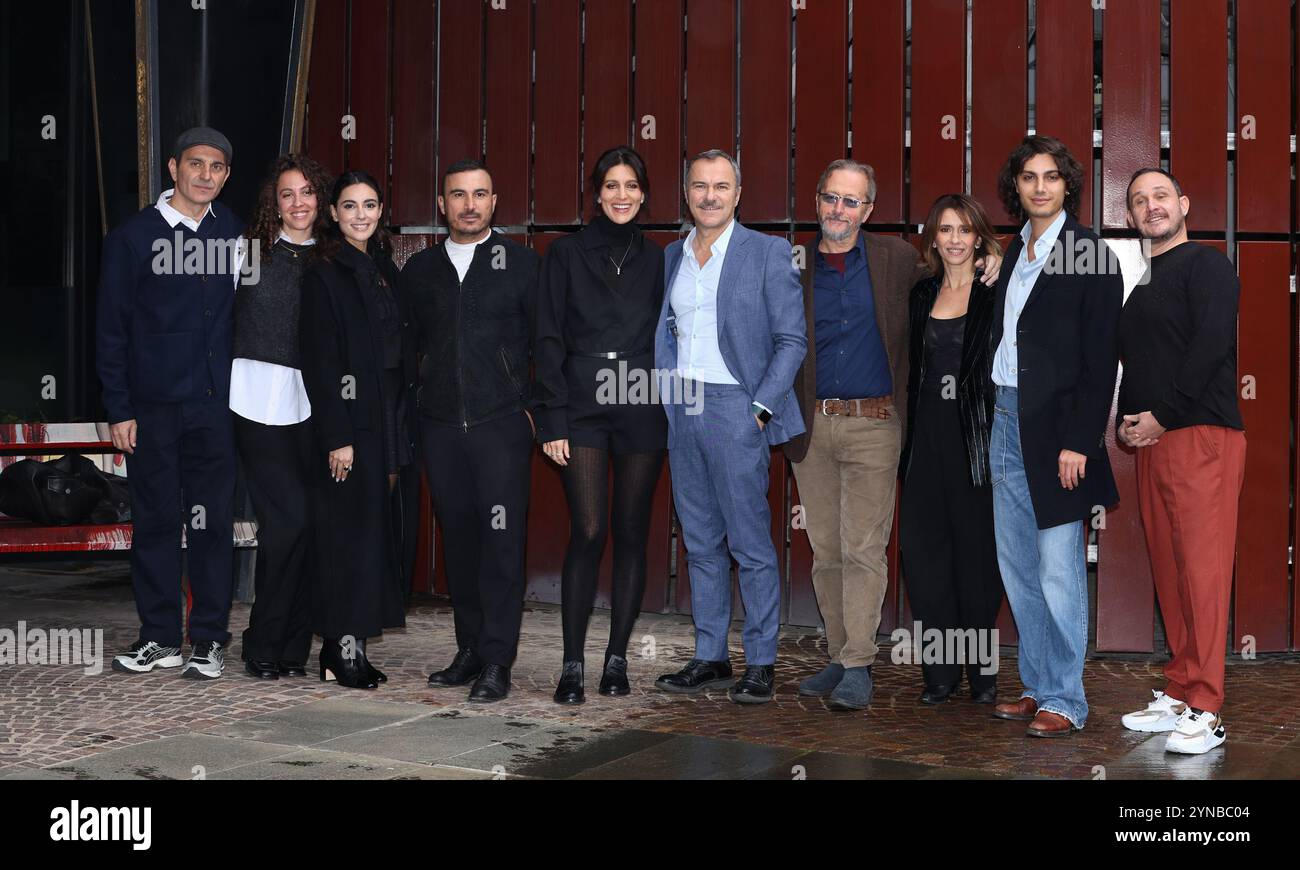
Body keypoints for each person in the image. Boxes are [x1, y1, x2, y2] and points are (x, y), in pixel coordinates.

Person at [782, 161, 1001, 711]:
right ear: (817, 200)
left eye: (851, 201)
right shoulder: (788, 263)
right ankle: (837, 656)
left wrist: (993, 256)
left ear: (869, 210)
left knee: (863, 548)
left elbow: (961, 262)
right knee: (826, 551)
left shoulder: (896, 259)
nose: (839, 209)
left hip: (877, 425)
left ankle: (859, 664)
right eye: (831, 197)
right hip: (812, 426)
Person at [652, 149, 806, 705]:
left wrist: (760, 409)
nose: (709, 196)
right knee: (699, 542)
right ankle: (711, 654)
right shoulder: (673, 254)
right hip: (683, 410)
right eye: (699, 186)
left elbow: (792, 340)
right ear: (687, 193)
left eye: (721, 186)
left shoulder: (766, 253)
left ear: (738, 195)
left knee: (750, 544)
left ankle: (761, 661)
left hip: (737, 410)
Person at [988, 135, 1122, 737]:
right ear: (1015, 188)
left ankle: (1067, 698)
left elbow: (1100, 360)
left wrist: (1080, 441)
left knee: (1057, 570)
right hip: (1004, 421)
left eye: (1050, 177)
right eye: (1028, 177)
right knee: (1017, 569)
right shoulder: (1013, 252)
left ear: (1068, 184)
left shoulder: (1087, 252)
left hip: (1058, 434)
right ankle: (1038, 685)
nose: (1039, 186)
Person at [100, 126, 242, 680]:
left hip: (215, 410)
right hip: (153, 410)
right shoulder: (134, 238)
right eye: (196, 164)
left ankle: (207, 639)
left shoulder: (233, 234)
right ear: (173, 168)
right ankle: (160, 637)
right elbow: (111, 330)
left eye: (217, 167)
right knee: (156, 524)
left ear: (226, 175)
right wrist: (119, 407)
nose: (206, 175)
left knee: (212, 527)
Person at [1117, 168, 1245, 754]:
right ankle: (1180, 690)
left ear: (1184, 204)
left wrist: (1162, 416)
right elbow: (1138, 359)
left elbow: (1210, 346)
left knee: (1202, 570)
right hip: (1155, 440)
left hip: (1200, 436)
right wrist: (1129, 418)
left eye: (1160, 196)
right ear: (1131, 218)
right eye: (1139, 200)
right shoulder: (1144, 282)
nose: (1151, 206)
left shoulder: (1208, 265)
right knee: (1171, 569)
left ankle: (1208, 708)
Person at [402, 159, 539, 703]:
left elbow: (546, 344)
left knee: (502, 546)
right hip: (440, 427)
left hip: (500, 427)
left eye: (479, 194)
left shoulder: (523, 265)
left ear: (494, 201)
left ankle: (498, 660)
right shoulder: (421, 271)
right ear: (443, 204)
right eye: (457, 195)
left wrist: (536, 414)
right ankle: (470, 648)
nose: (468, 205)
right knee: (459, 543)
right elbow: (408, 351)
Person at [533, 146, 667, 705]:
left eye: (631, 185)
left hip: (641, 398)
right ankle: (571, 666)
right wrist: (551, 418)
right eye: (611, 185)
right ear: (596, 192)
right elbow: (545, 337)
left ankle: (617, 661)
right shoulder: (565, 254)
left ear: (643, 194)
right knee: (589, 530)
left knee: (632, 531)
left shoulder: (661, 257)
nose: (621, 196)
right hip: (581, 401)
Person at [299, 169, 416, 690]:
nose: (361, 215)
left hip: (387, 421)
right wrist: (337, 437)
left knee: (375, 539)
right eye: (350, 206)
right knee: (347, 541)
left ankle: (353, 649)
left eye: (370, 205)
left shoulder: (383, 266)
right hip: (350, 425)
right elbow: (319, 363)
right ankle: (338, 652)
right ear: (333, 214)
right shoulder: (323, 271)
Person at [898, 194, 1004, 705]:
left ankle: (982, 676)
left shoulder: (997, 292)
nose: (956, 240)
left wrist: (1002, 262)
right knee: (926, 561)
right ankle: (939, 674)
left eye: (965, 230)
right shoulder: (921, 295)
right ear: (934, 238)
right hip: (924, 446)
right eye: (946, 230)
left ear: (979, 237)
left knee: (978, 563)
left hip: (977, 445)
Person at [231, 154, 332, 680]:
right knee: (287, 521)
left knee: (300, 527)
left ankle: (290, 646)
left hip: (313, 405)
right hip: (253, 400)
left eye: (307, 192)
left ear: (321, 199)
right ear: (275, 202)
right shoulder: (248, 253)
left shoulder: (332, 258)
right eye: (287, 194)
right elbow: (215, 320)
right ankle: (262, 641)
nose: (297, 203)